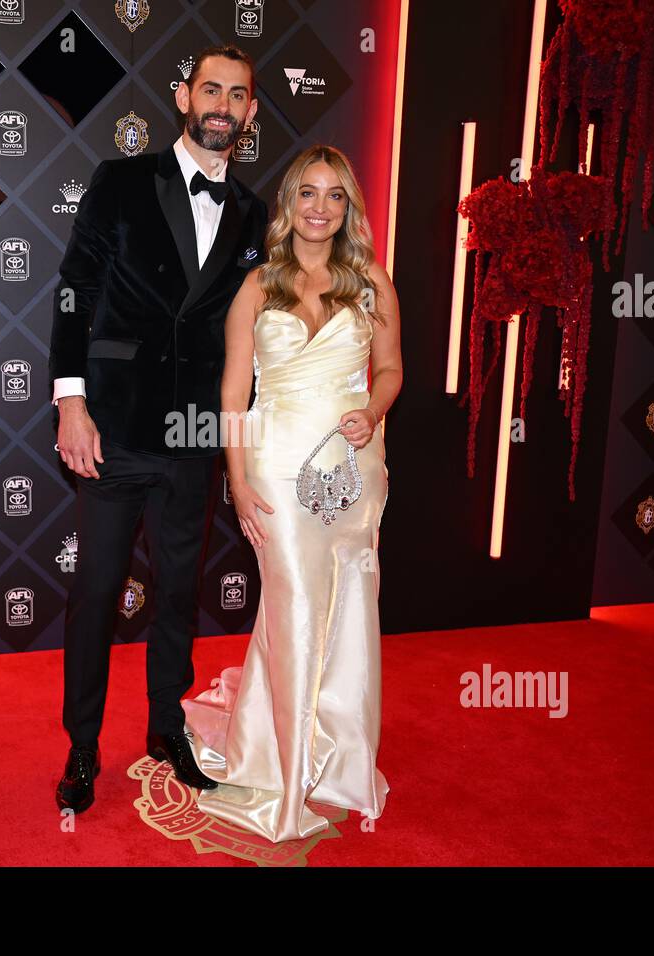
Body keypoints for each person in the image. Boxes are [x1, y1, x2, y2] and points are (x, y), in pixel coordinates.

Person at [47, 44, 269, 814]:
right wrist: (70, 401)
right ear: (184, 97)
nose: (222, 104)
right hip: (113, 425)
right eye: (211, 89)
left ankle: (166, 727)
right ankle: (81, 746)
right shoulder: (123, 180)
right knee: (97, 592)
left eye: (237, 94)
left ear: (249, 112)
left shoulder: (253, 210)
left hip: (195, 437)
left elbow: (250, 333)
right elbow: (75, 289)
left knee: (178, 592)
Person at [182, 145, 402, 842]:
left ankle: (340, 759)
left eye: (335, 195)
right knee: (296, 608)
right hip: (275, 469)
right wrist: (238, 481)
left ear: (349, 209)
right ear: (289, 204)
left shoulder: (371, 281)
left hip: (353, 468)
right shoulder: (257, 285)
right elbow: (232, 393)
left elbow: (392, 369)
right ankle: (283, 772)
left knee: (349, 608)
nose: (319, 207)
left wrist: (374, 412)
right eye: (307, 192)